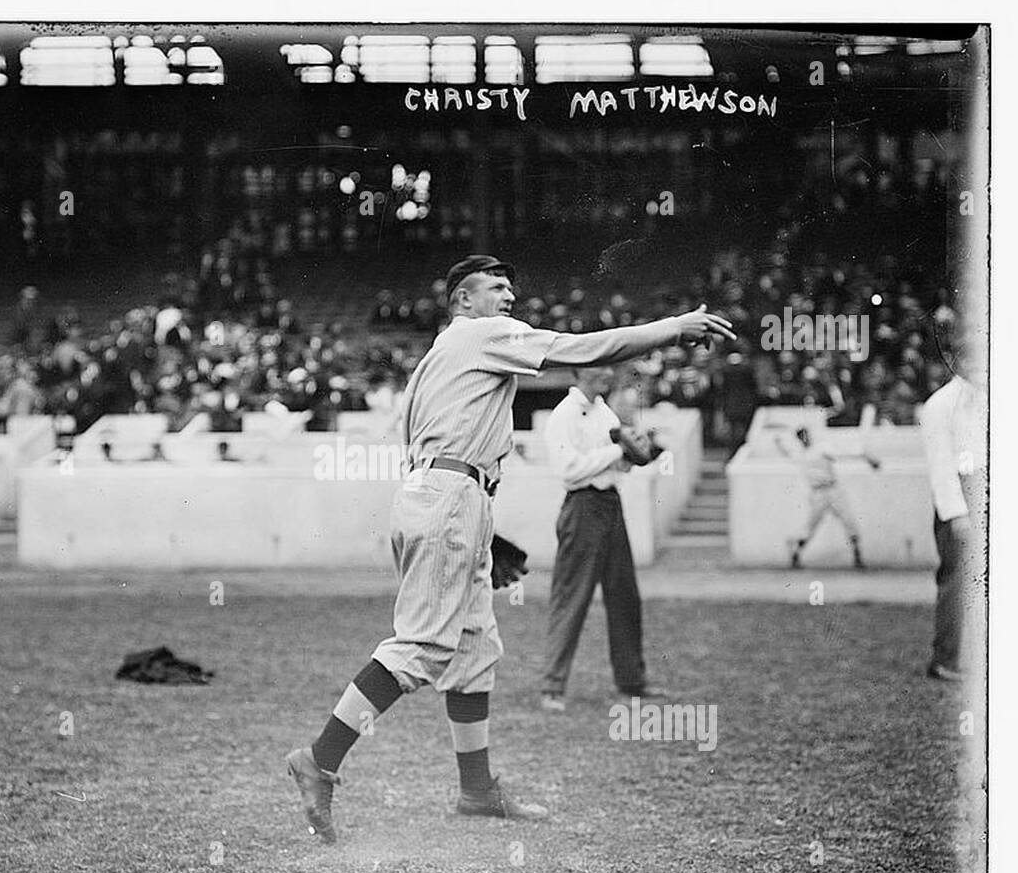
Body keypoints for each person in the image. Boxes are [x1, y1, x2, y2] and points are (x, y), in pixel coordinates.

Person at [285, 255, 734, 843]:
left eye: (511, 289)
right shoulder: (481, 332)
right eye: (496, 288)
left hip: (448, 492)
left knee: (474, 649)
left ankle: (476, 792)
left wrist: (476, 525)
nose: (509, 297)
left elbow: (424, 448)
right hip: (450, 494)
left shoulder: (436, 359)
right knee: (422, 646)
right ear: (462, 302)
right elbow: (585, 350)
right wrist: (672, 327)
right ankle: (319, 760)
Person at [539, 366, 662, 712]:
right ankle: (553, 685)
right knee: (572, 596)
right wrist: (618, 452)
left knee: (625, 595)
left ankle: (631, 681)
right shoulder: (563, 415)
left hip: (610, 503)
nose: (607, 374)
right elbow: (568, 470)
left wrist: (638, 454)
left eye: (609, 367)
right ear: (581, 372)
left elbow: (616, 464)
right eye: (599, 367)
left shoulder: (603, 411)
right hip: (582, 506)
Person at [920, 343, 987, 680]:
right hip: (960, 497)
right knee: (957, 582)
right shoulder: (940, 405)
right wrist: (957, 514)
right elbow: (940, 466)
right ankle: (945, 660)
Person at [776, 426, 879, 569]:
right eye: (801, 436)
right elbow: (787, 453)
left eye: (806, 435)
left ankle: (858, 557)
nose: (805, 438)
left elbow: (843, 453)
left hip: (833, 489)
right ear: (799, 439)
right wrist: (778, 442)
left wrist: (866, 457)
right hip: (818, 494)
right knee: (810, 526)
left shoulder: (821, 448)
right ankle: (795, 555)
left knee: (849, 521)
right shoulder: (800, 454)